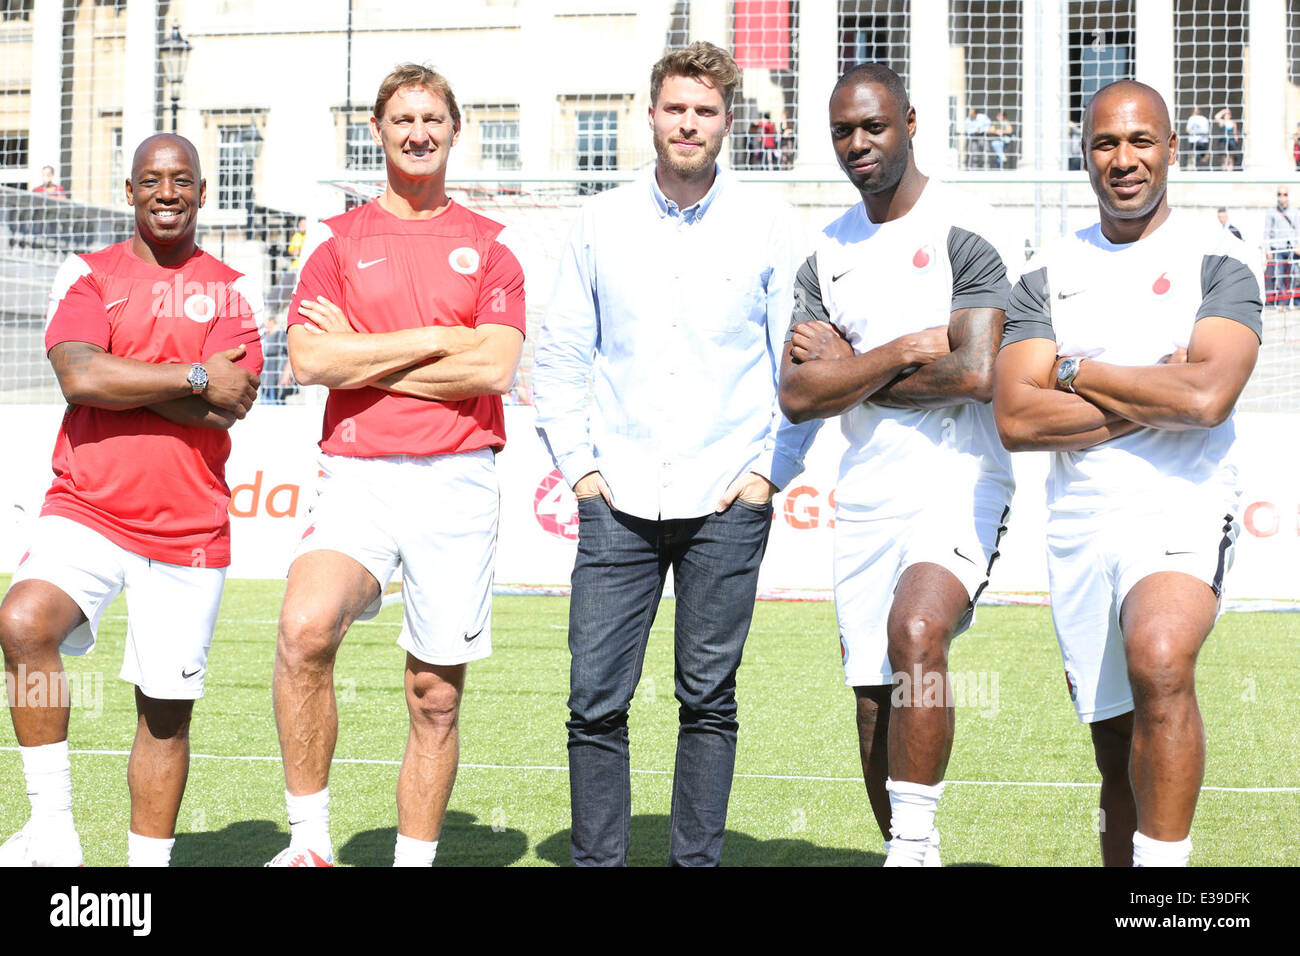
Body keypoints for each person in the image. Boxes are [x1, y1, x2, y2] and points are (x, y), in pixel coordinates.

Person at [532, 41, 813, 867]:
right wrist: (580, 469)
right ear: (650, 114)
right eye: (676, 108)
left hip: (728, 496)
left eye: (706, 110)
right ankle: (599, 862)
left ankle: (695, 863)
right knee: (594, 702)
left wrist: (770, 472)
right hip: (616, 498)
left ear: (728, 121)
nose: (689, 123)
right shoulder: (600, 220)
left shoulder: (767, 225)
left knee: (708, 702)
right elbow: (561, 354)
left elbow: (796, 365)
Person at [992, 80, 1262, 867]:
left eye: (1142, 141)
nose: (1125, 159)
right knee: (1116, 755)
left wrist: (1072, 369)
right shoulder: (1048, 267)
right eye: (1106, 144)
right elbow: (1015, 418)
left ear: (1173, 148)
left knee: (1161, 655)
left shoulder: (1220, 252)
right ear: (1085, 157)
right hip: (1081, 523)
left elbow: (1209, 396)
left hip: (1182, 503)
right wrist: (1151, 386)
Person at [267, 63, 526, 867]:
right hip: (359, 476)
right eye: (402, 119)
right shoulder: (337, 239)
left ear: (455, 131)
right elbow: (309, 360)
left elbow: (492, 371)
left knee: (434, 695)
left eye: (433, 120)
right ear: (376, 131)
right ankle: (310, 846)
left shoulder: (491, 246)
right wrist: (433, 338)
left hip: (458, 480)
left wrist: (363, 353)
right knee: (304, 629)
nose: (418, 133)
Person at [0, 134, 263, 867]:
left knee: (164, 714)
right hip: (85, 505)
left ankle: (147, 875)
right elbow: (80, 379)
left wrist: (133, 374)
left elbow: (228, 403)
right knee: (23, 622)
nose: (168, 193)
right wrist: (191, 374)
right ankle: (52, 833)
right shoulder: (85, 271)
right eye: (152, 180)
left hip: (186, 528)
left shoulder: (238, 288)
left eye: (182, 180)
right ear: (130, 191)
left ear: (204, 192)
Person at [778, 64, 1015, 868]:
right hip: (868, 494)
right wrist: (905, 349)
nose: (858, 144)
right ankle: (910, 850)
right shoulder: (824, 251)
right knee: (875, 703)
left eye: (873, 127)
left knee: (918, 630)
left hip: (960, 479)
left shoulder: (966, 227)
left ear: (910, 122)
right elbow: (800, 395)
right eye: (843, 131)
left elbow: (975, 373)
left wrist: (856, 371)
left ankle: (911, 851)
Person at [1263, 185, 1297, 309]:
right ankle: (1282, 303)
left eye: (1285, 194)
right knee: (1279, 276)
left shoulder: (1295, 212)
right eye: (1279, 194)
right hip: (1278, 248)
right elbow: (1267, 232)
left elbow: (1298, 230)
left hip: (1292, 248)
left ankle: (1292, 302)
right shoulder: (1271, 212)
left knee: (1293, 276)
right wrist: (1267, 249)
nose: (1282, 197)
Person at [1213, 106, 1241, 171]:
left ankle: (1230, 171)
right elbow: (1216, 117)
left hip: (1231, 142)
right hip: (1223, 142)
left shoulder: (1233, 123)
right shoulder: (1222, 122)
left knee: (1231, 158)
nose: (1226, 116)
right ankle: (1224, 171)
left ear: (1230, 116)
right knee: (1224, 158)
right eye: (1225, 115)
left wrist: (1236, 142)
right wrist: (1224, 111)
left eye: (1228, 114)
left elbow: (1235, 133)